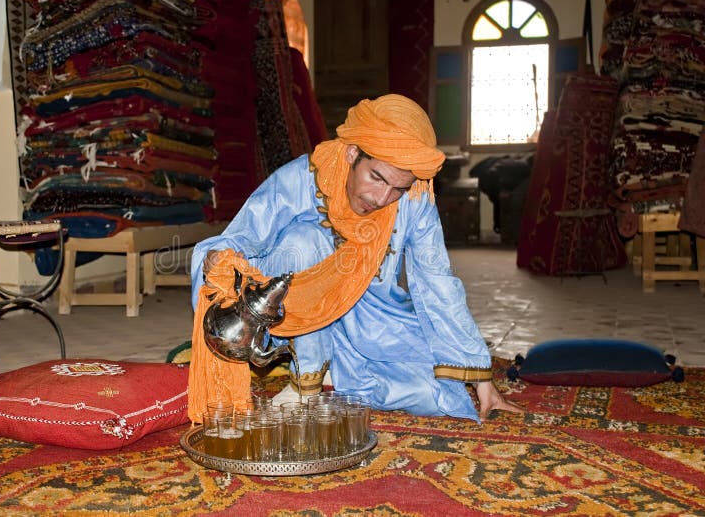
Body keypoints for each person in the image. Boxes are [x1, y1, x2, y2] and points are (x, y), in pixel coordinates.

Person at [187, 94, 523, 423]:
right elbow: (243, 235)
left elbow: (436, 279)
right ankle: (307, 381)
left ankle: (339, 371)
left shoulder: (415, 199)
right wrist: (221, 258)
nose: (381, 198)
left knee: (433, 391)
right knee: (305, 240)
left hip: (373, 316)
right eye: (376, 178)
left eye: (398, 189)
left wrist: (479, 374)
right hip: (299, 309)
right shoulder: (303, 178)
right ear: (352, 153)